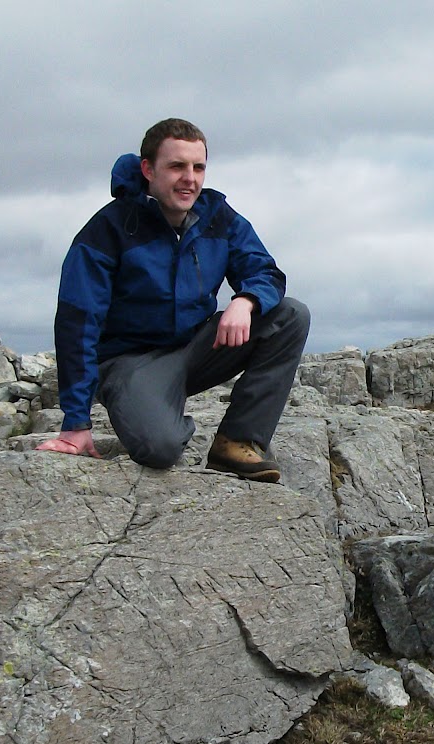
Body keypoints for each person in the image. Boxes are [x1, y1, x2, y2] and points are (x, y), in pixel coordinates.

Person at [37, 118, 309, 482]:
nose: (190, 179)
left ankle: (237, 442)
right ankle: (154, 411)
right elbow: (77, 324)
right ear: (148, 169)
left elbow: (266, 272)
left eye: (198, 167)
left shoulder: (217, 217)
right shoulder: (108, 229)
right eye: (177, 166)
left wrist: (245, 301)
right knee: (160, 448)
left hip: (195, 348)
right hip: (130, 362)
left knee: (290, 315)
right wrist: (76, 422)